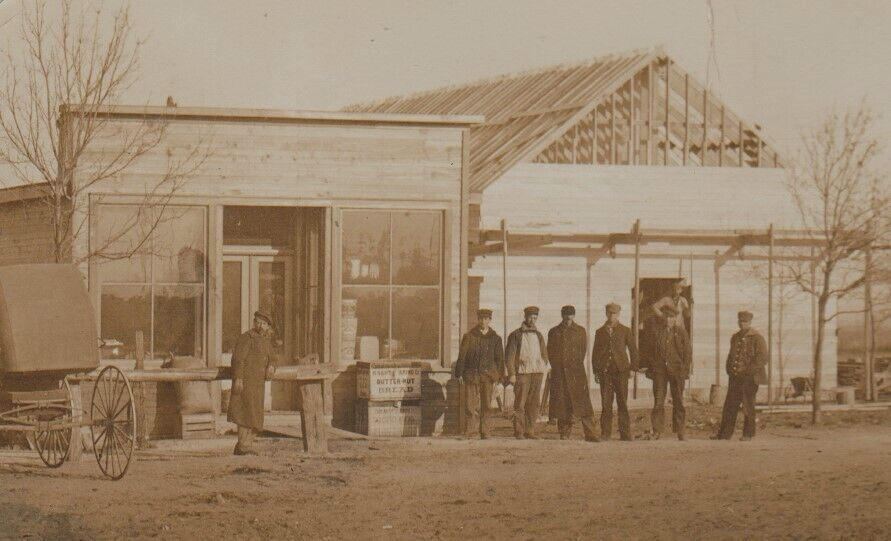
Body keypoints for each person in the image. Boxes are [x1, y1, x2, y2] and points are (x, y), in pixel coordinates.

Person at [227, 310, 277, 455]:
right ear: (254, 323)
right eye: (258, 322)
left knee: (255, 414)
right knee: (244, 413)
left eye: (264, 324)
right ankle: (243, 445)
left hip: (258, 384)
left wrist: (272, 366)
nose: (260, 326)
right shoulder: (246, 338)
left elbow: (273, 357)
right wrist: (238, 378)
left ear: (268, 327)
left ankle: (244, 444)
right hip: (246, 382)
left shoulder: (266, 341)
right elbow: (238, 360)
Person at [712, 311, 767, 441]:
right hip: (735, 377)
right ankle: (725, 434)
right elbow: (731, 355)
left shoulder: (757, 338)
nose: (742, 324)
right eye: (740, 321)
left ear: (750, 322)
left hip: (750, 378)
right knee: (730, 405)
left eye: (745, 322)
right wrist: (729, 369)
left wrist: (749, 372)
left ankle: (748, 434)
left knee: (748, 406)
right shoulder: (735, 337)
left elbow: (763, 358)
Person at [548, 305, 598, 441]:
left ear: (574, 316)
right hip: (560, 373)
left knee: (583, 403)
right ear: (562, 316)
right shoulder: (554, 332)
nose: (568, 319)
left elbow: (583, 350)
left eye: (571, 316)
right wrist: (558, 367)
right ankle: (564, 432)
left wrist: (573, 365)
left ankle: (590, 433)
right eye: (566, 316)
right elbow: (551, 352)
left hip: (577, 373)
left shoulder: (580, 331)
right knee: (563, 404)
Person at [591, 303, 639, 441]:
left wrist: (633, 368)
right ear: (606, 314)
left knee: (622, 402)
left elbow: (633, 350)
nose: (612, 316)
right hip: (605, 372)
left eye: (614, 313)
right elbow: (596, 353)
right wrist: (596, 371)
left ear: (618, 314)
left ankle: (625, 433)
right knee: (606, 403)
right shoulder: (600, 332)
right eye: (609, 313)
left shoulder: (625, 330)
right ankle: (606, 433)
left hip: (621, 371)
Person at [455, 309, 505, 440]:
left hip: (488, 377)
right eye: (481, 319)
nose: (483, 321)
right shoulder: (470, 336)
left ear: (490, 320)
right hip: (472, 375)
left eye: (486, 319)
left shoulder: (495, 338)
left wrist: (499, 377)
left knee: (486, 405)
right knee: (470, 405)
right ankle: (470, 432)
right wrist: (459, 373)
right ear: (478, 320)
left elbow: (500, 359)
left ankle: (485, 431)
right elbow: (462, 356)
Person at [647, 306, 692, 440]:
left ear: (675, 318)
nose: (669, 320)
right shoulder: (657, 332)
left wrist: (684, 370)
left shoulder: (681, 332)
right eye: (666, 317)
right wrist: (654, 367)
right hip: (660, 372)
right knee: (658, 401)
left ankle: (680, 431)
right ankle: (657, 430)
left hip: (677, 371)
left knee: (678, 400)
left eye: (672, 317)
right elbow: (649, 352)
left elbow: (687, 353)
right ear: (663, 318)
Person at [505, 306, 549, 439]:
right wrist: (512, 373)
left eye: (535, 318)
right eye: (530, 317)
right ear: (525, 317)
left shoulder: (539, 335)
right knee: (520, 403)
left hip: (536, 374)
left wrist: (543, 365)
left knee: (534, 403)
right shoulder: (515, 335)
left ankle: (530, 431)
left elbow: (544, 353)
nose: (532, 320)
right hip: (522, 374)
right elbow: (510, 356)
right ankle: (519, 431)